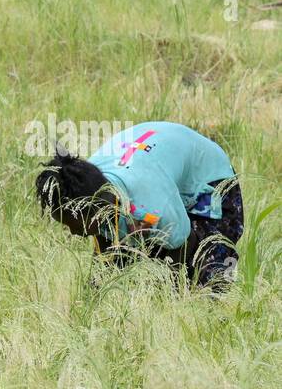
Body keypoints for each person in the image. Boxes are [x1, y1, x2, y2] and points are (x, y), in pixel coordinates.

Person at [35, 121, 245, 289]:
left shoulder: (152, 207)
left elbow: (182, 243)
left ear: (95, 210)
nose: (72, 232)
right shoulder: (85, 183)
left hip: (208, 176)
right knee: (116, 267)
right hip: (160, 159)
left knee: (208, 277)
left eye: (74, 225)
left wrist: (169, 288)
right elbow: (107, 263)